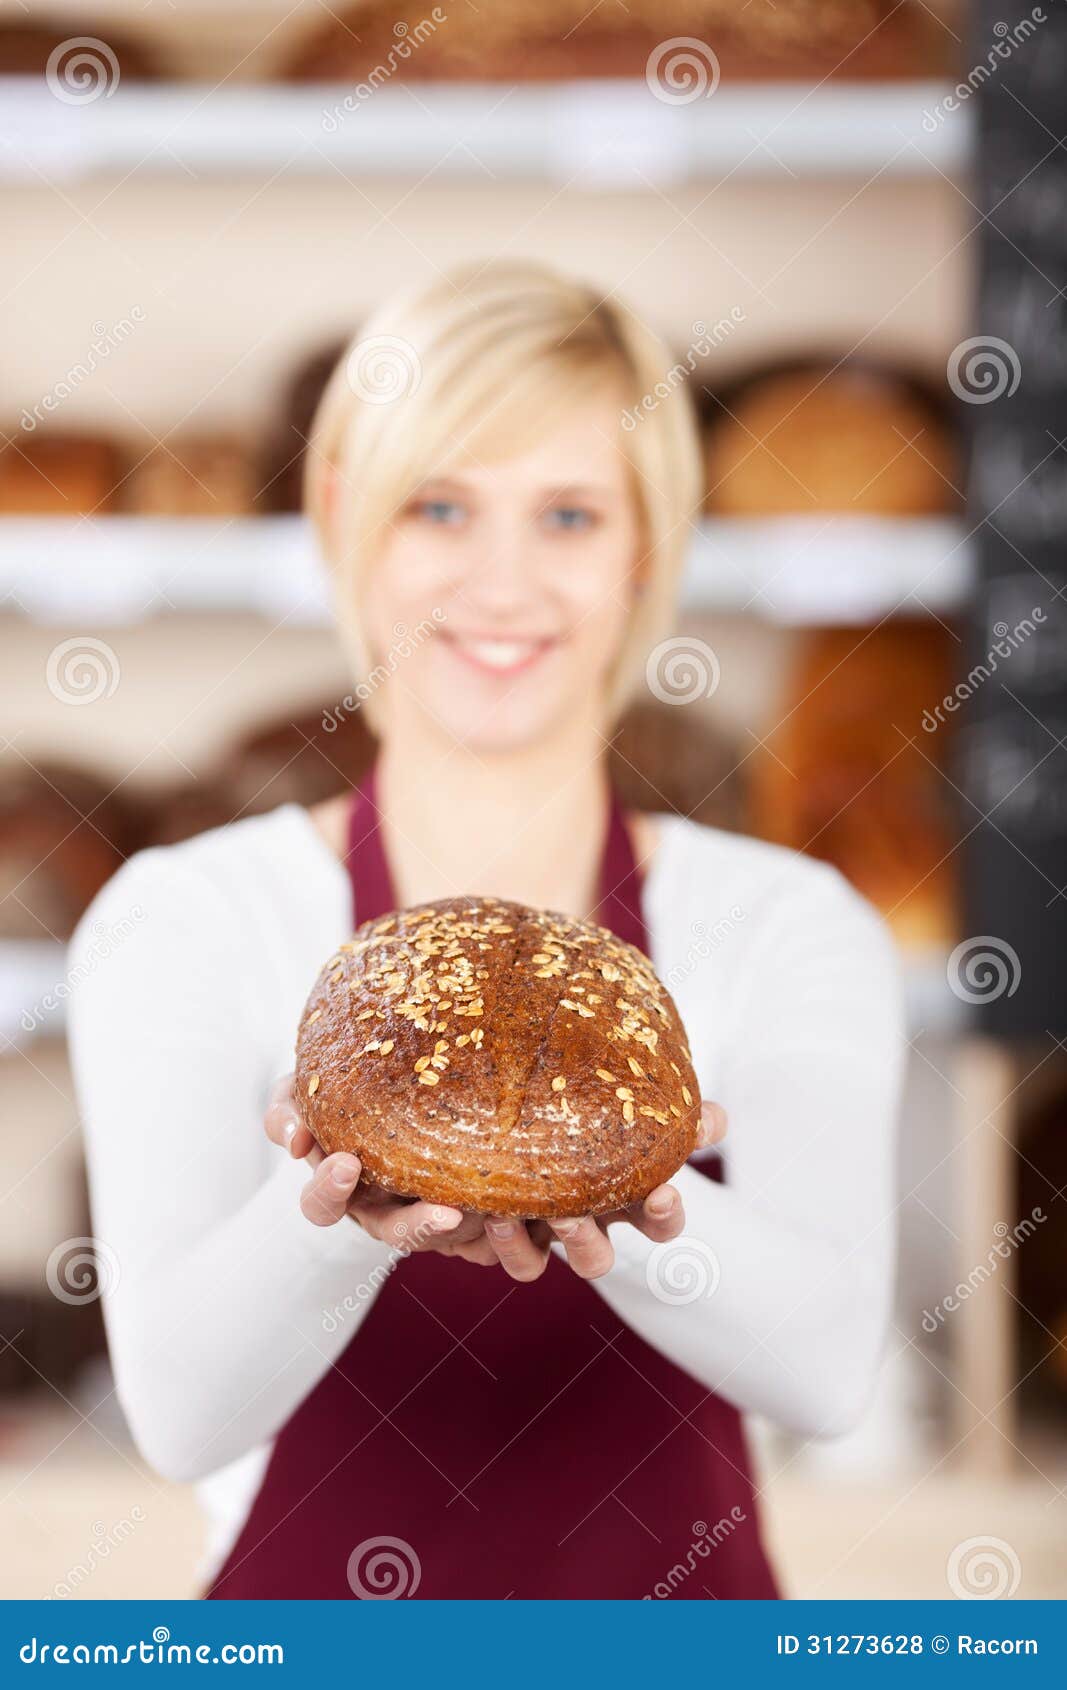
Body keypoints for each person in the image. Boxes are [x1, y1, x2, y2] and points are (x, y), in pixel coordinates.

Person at [69, 261, 904, 1599]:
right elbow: (180, 1411)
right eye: (441, 506)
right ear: (346, 516)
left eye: (569, 514)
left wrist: (607, 1188)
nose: (501, 580)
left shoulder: (782, 925)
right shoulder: (187, 919)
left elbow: (826, 1367)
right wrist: (350, 1207)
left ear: (645, 549)